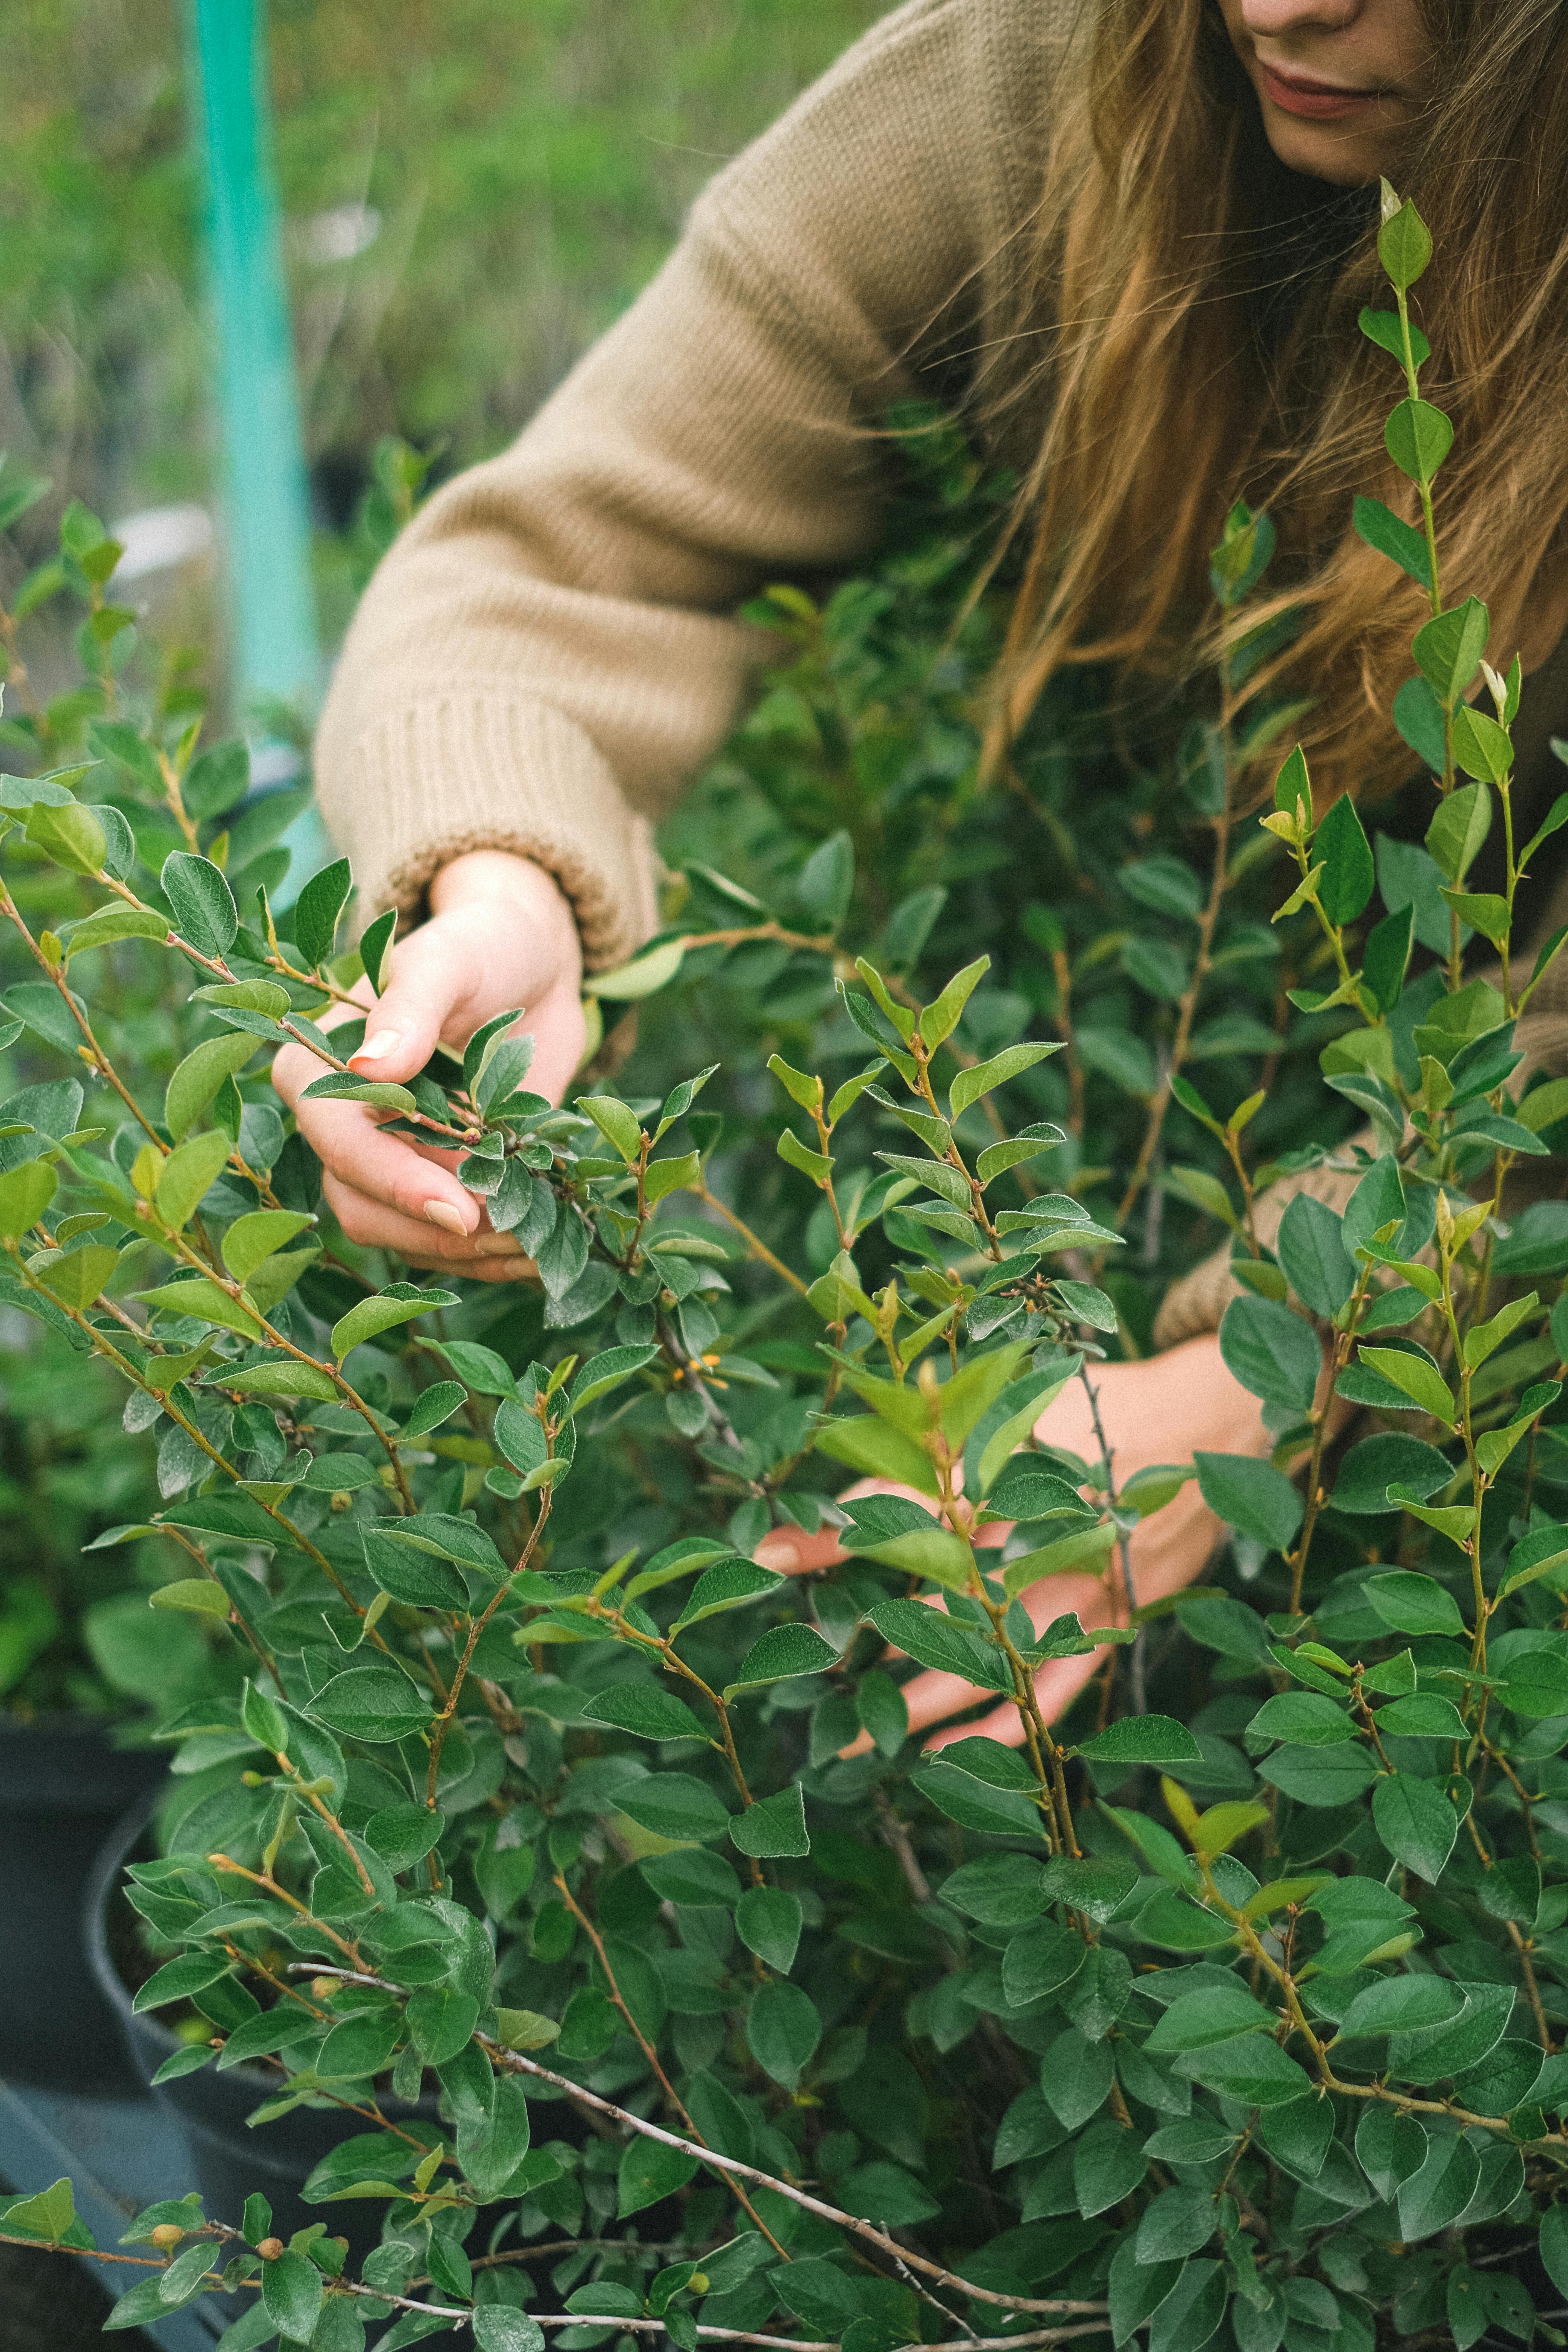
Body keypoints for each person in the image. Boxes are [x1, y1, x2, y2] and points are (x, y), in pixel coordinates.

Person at [274, 0, 1568, 1740]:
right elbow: (555, 563)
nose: (1276, 6)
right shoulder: (1047, 76)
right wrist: (498, 889)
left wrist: (1257, 1381)